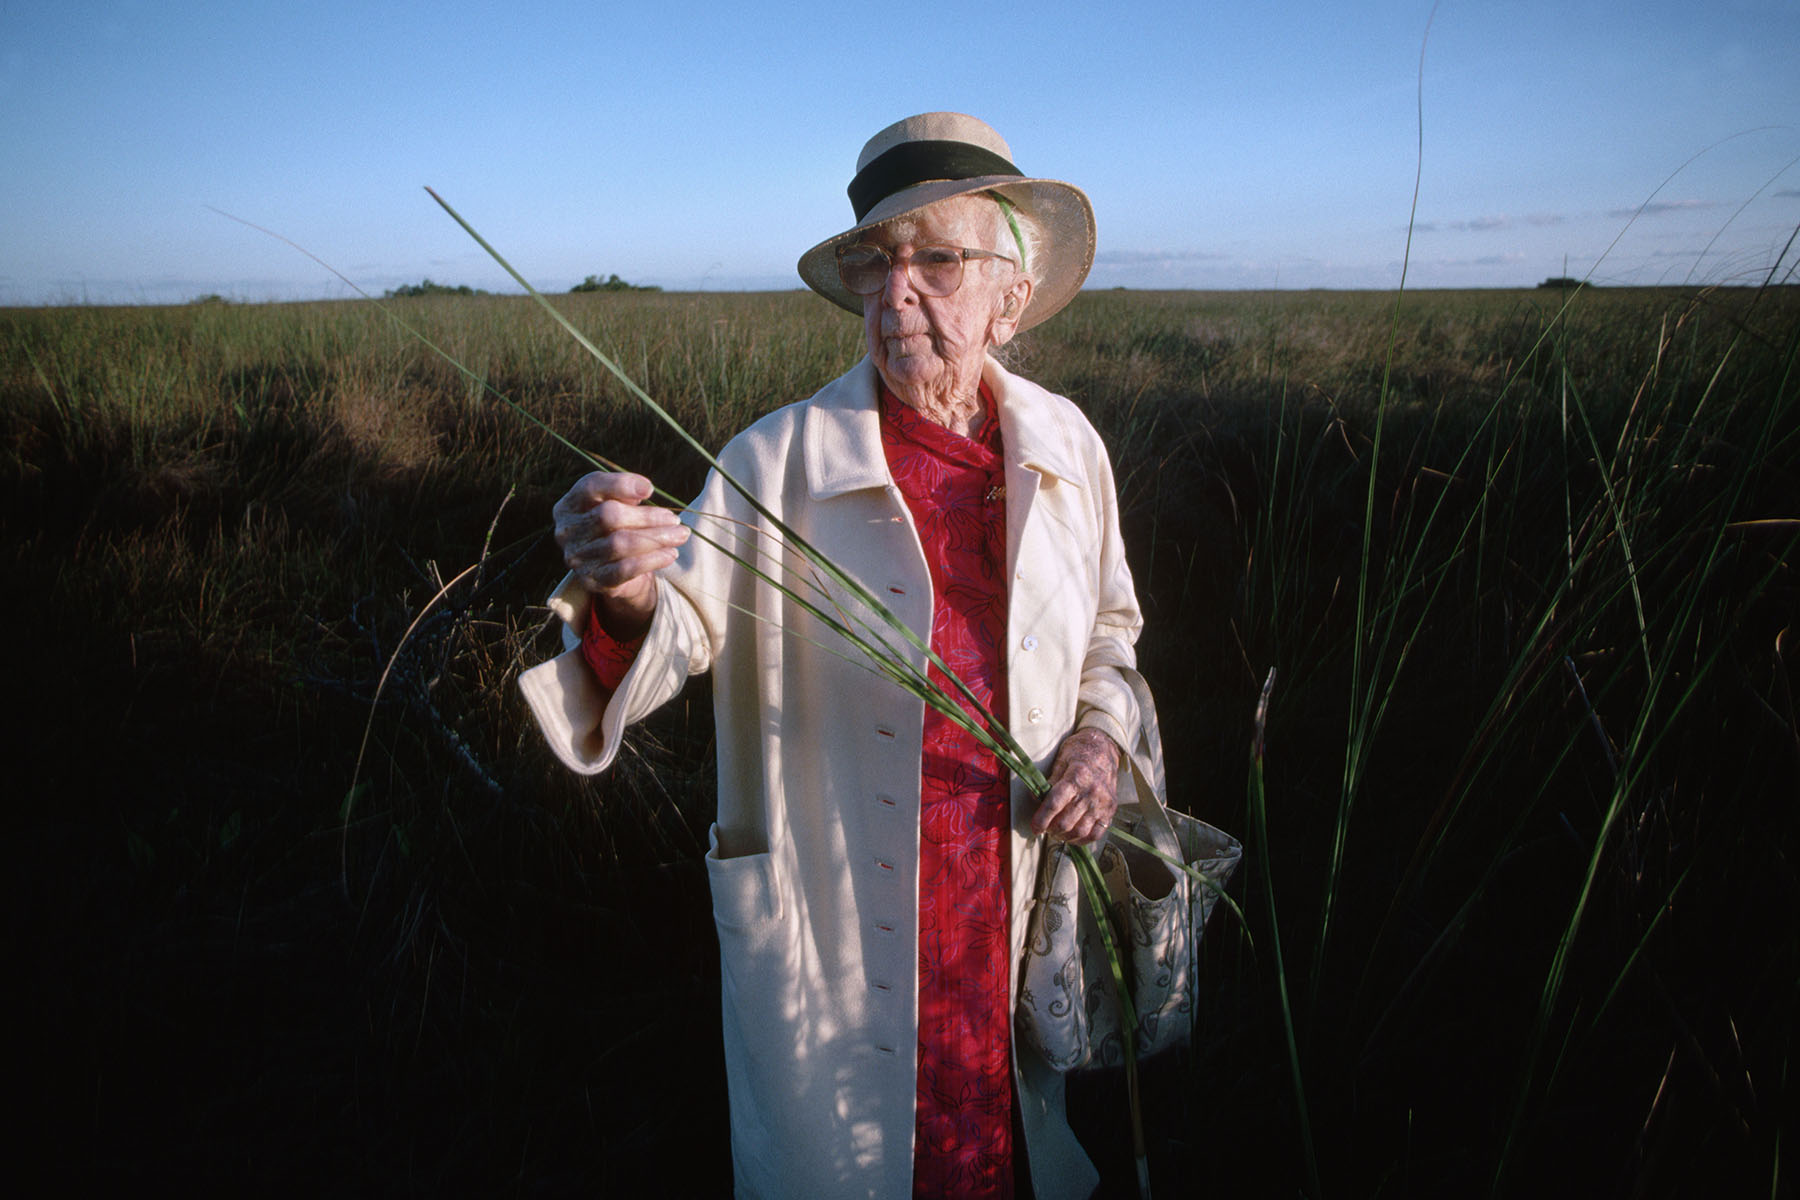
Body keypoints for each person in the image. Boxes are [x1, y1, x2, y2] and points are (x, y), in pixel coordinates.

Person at [520, 112, 1148, 1199]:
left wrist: (1101, 738)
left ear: (1012, 290)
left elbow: (1111, 633)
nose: (896, 294)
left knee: (1007, 1151)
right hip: (835, 929)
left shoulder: (1068, 444)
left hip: (1003, 894)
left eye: (936, 260)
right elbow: (677, 634)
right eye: (876, 263)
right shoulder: (777, 460)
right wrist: (621, 590)